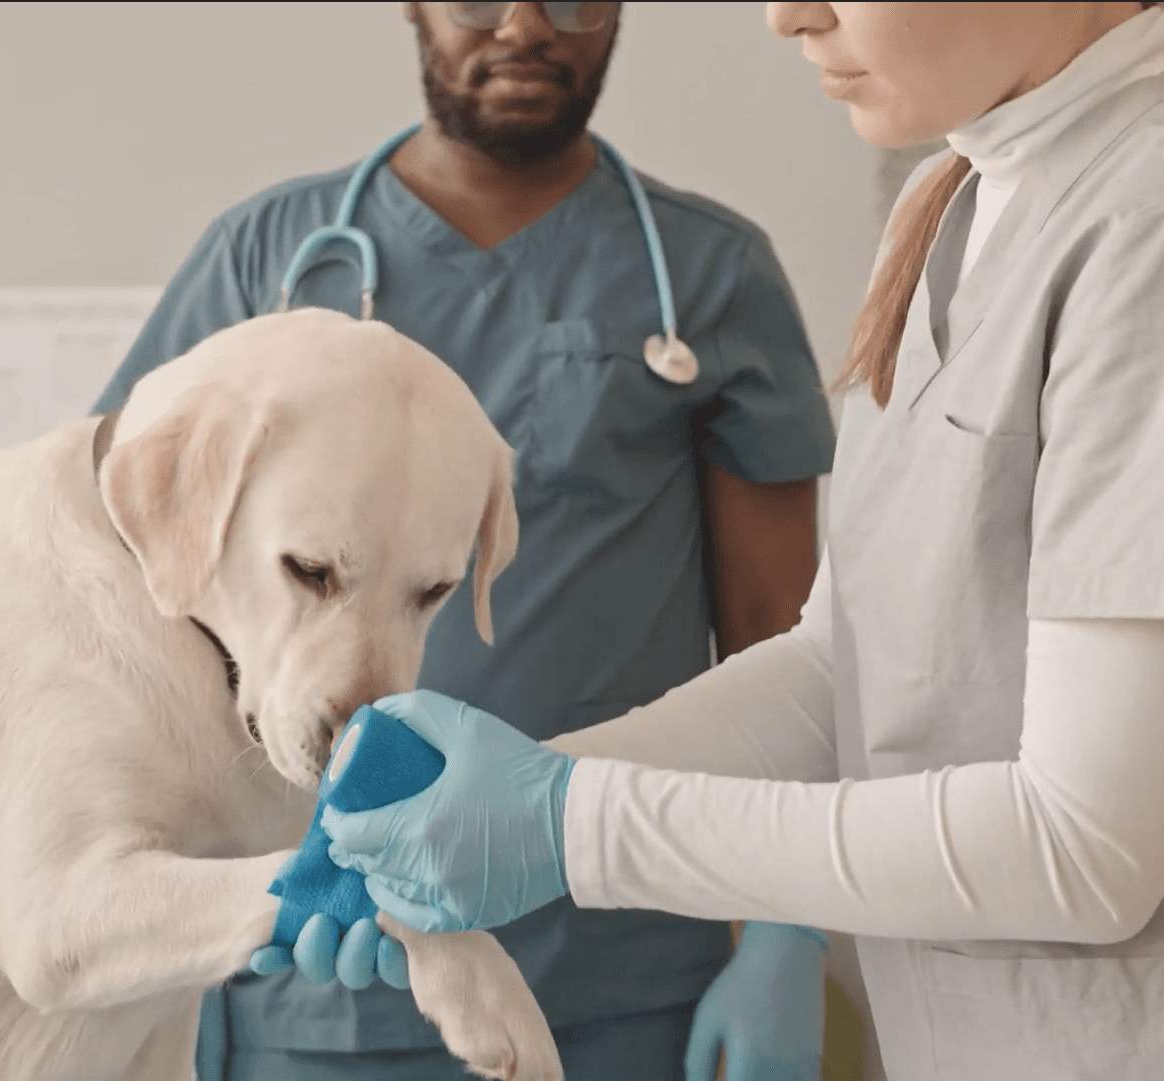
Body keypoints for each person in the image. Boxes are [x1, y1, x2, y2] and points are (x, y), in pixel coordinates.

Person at [311, 3, 1164, 1079]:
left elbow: (1088, 848)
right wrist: (507, 790)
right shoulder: (948, 199)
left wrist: (565, 826)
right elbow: (840, 665)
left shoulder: (1144, 225)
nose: (786, 15)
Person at [93, 3, 839, 1078]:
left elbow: (784, 639)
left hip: (616, 966)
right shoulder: (264, 258)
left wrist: (784, 933)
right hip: (304, 963)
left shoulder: (710, 275)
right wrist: (173, 943)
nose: (527, 25)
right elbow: (128, 605)